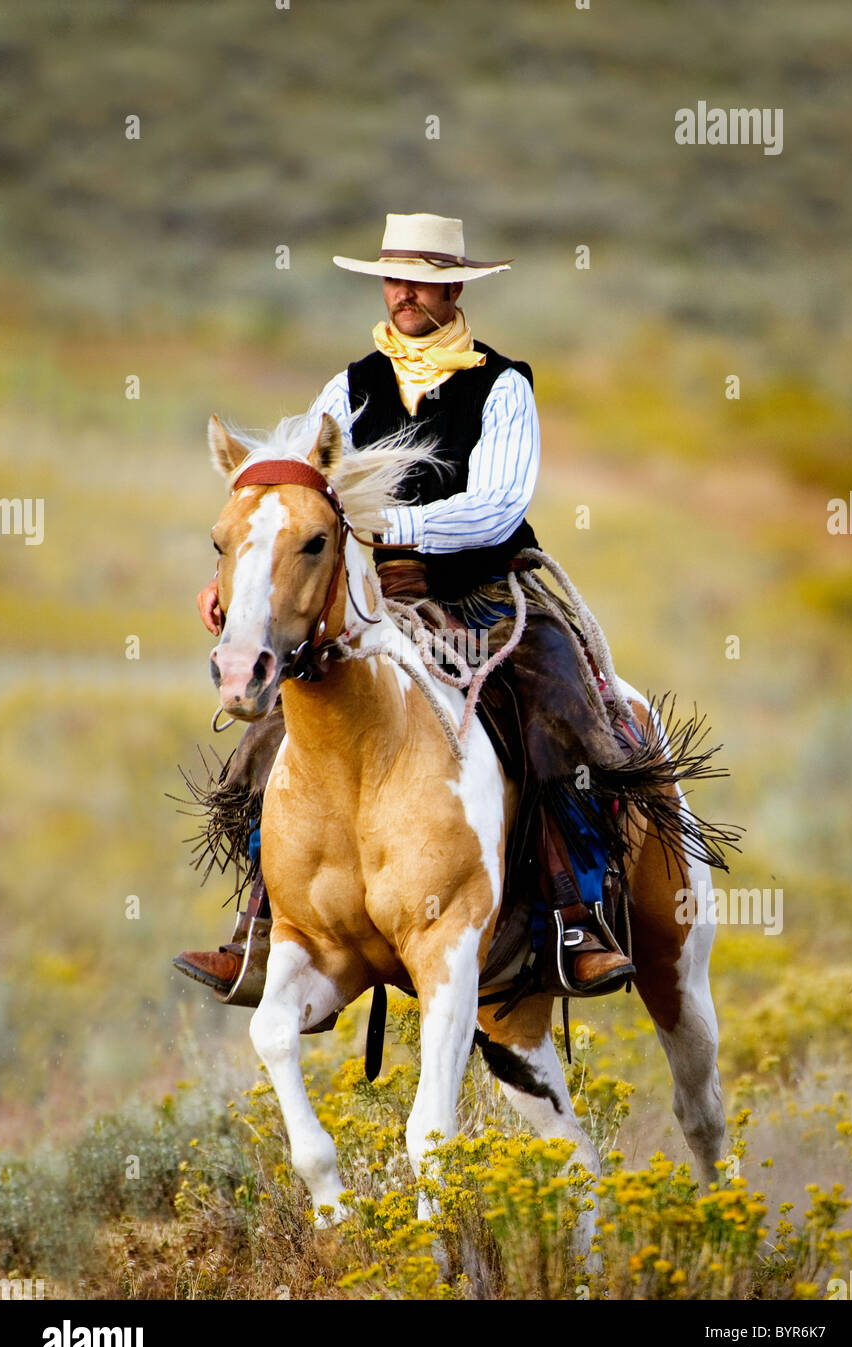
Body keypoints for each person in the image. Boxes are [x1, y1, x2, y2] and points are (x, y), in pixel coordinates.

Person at [175, 213, 635, 1002]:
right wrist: (247, 580)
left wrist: (390, 525)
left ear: (455, 288)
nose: (404, 293)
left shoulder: (503, 384)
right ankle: (259, 926)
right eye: (394, 278)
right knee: (275, 729)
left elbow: (496, 506)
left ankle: (574, 915)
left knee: (556, 709)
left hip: (488, 594)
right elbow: (296, 488)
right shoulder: (347, 385)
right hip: (371, 598)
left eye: (421, 279)